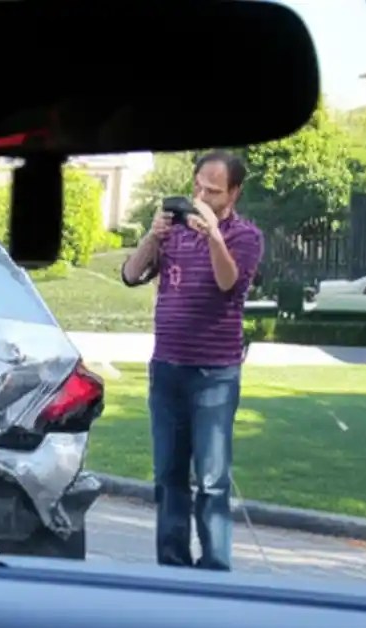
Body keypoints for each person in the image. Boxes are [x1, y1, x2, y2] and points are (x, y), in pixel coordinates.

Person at [120, 150, 265, 571]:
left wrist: (214, 235)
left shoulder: (245, 236)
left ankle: (215, 569)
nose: (201, 197)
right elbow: (130, 275)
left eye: (213, 191)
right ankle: (173, 567)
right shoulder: (174, 232)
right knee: (168, 476)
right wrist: (153, 237)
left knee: (213, 479)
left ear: (233, 193)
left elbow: (228, 282)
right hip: (167, 368)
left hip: (214, 374)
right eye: (197, 187)